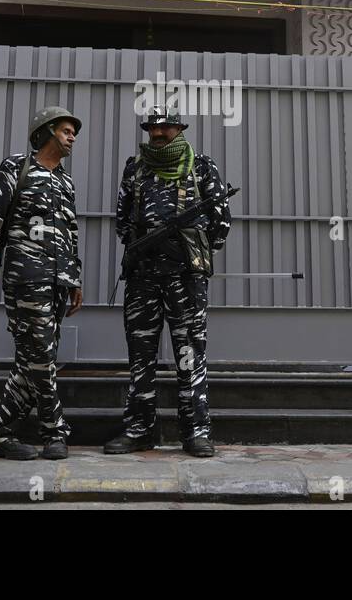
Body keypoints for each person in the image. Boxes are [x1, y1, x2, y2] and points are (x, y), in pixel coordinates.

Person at [104, 109, 231, 457]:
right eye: (154, 127)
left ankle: (196, 432)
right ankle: (138, 430)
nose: (159, 132)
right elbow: (122, 219)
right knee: (140, 358)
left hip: (185, 280)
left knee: (190, 355)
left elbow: (220, 223)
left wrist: (188, 250)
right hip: (143, 279)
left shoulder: (202, 166)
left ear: (179, 129)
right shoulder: (135, 168)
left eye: (166, 127)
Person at [0, 106, 83, 460]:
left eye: (73, 132)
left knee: (31, 362)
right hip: (25, 278)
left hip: (58, 283)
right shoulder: (16, 168)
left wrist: (74, 277)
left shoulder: (66, 182)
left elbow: (70, 233)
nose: (72, 137)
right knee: (42, 358)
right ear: (47, 131)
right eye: (66, 130)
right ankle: (55, 432)